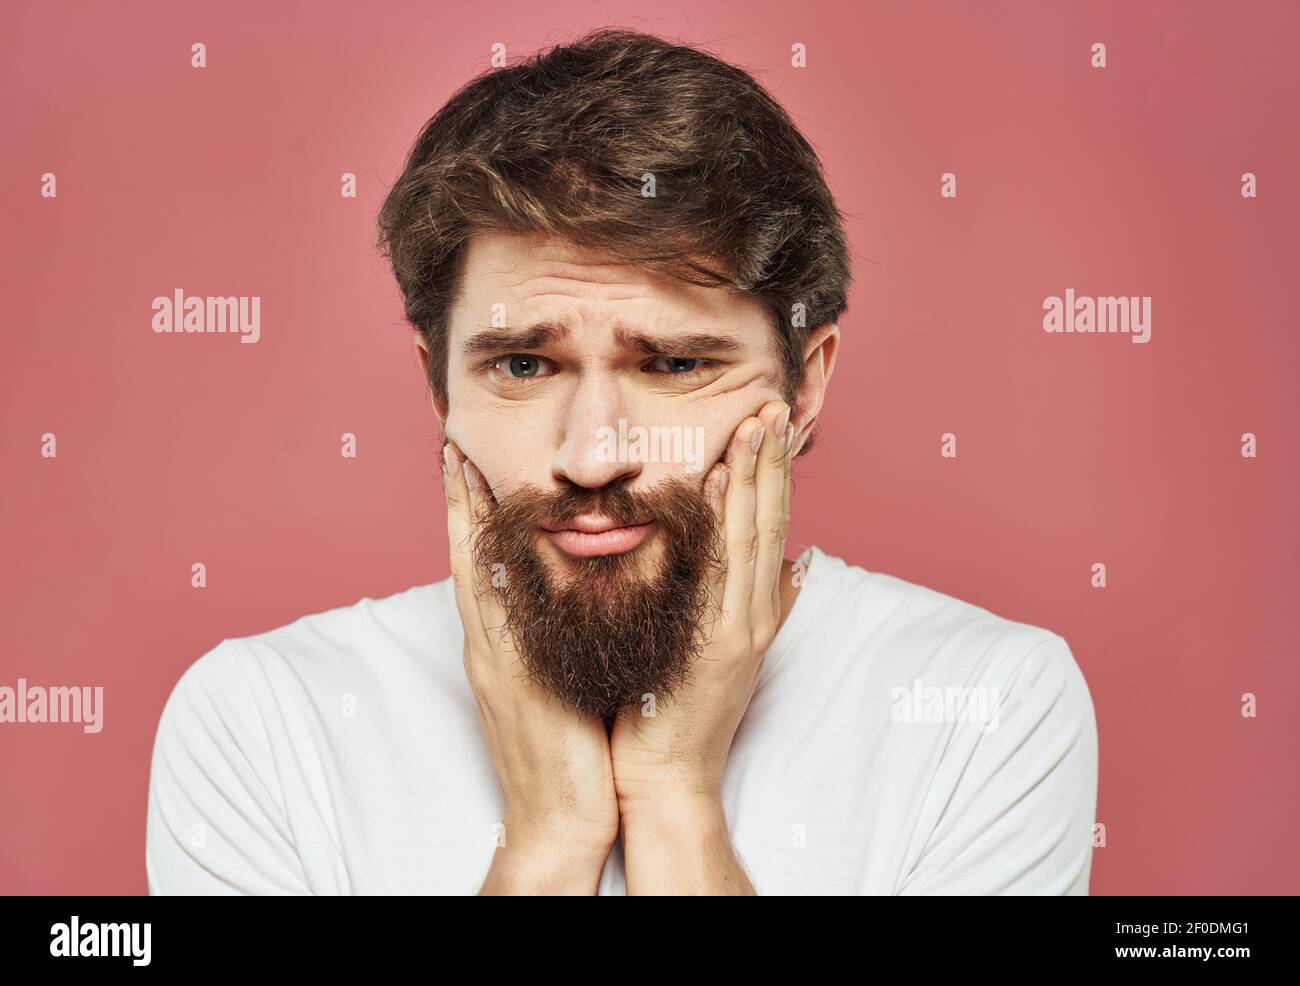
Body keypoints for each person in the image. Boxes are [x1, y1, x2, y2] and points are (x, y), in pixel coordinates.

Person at [146, 28, 1097, 895]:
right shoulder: (260, 726)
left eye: (675, 364)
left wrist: (677, 800)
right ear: (441, 390)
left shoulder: (988, 710)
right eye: (523, 364)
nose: (593, 457)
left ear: (804, 389)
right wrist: (550, 841)